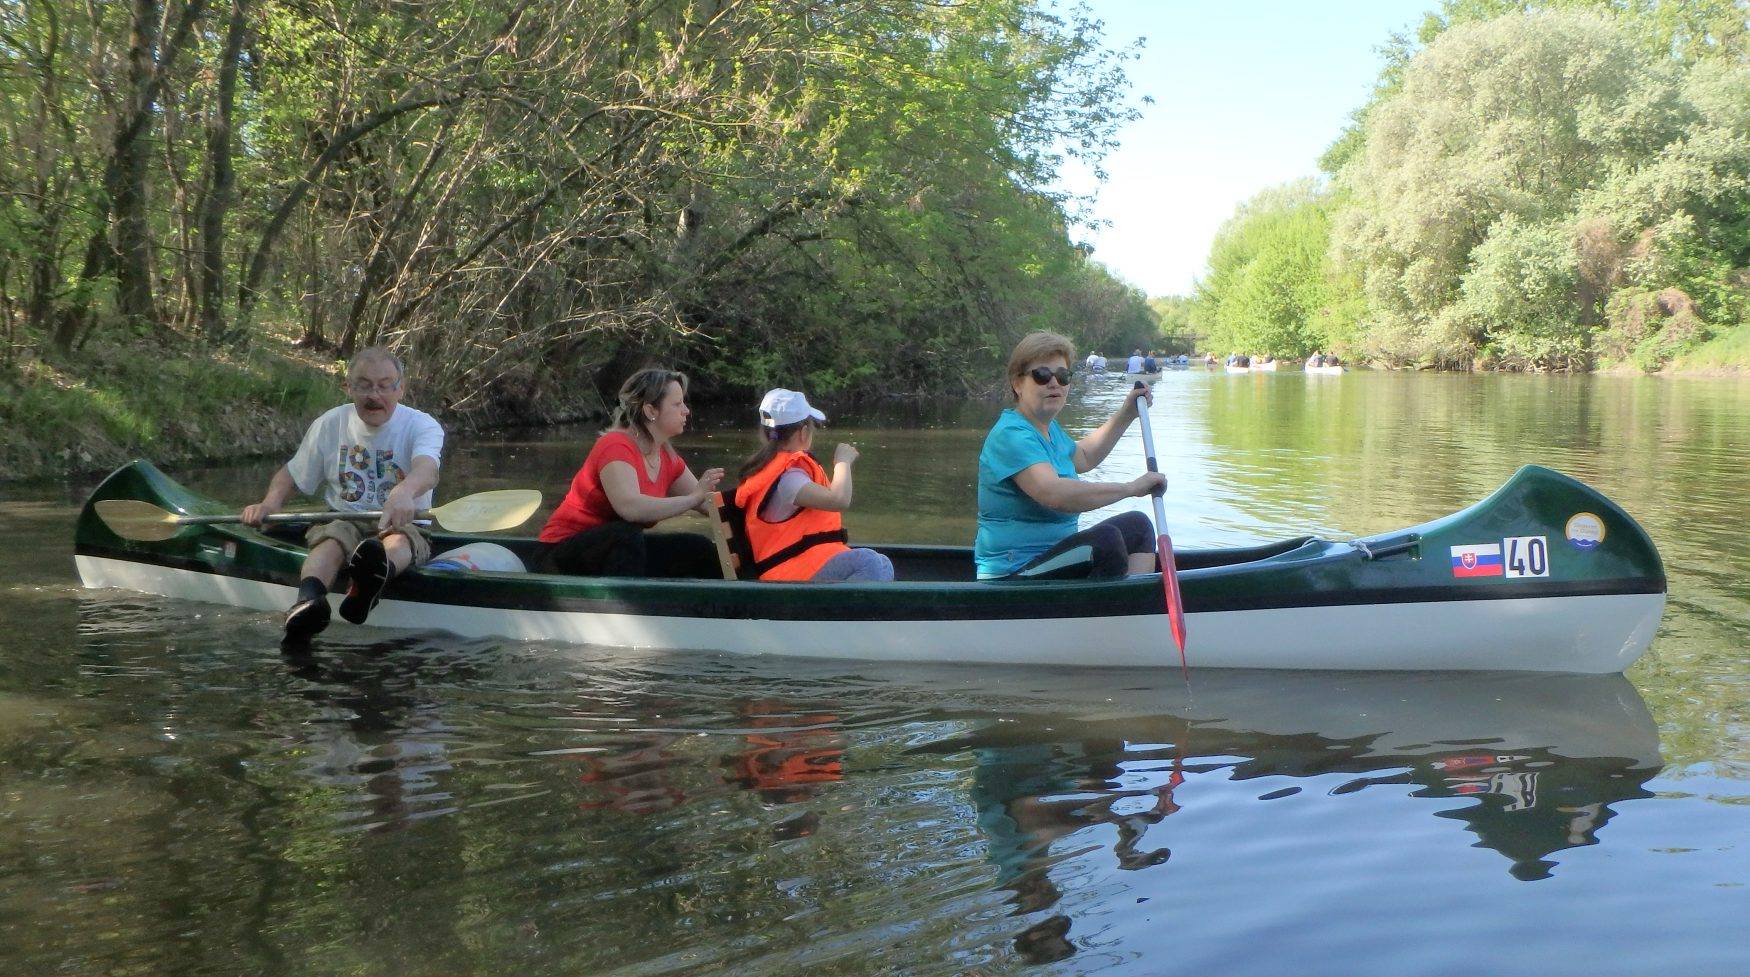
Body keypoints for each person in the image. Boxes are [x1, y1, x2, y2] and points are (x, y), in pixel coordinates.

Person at [243, 346, 444, 643]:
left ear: (400, 389)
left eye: (384, 386)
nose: (374, 396)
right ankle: (309, 602)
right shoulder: (331, 423)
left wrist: (404, 492)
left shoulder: (422, 425)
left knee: (398, 541)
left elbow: (427, 470)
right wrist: (269, 504)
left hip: (404, 521)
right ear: (348, 387)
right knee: (331, 541)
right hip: (343, 517)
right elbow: (291, 474)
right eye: (364, 385)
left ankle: (366, 588)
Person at [976, 332, 1167, 580]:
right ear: (1017, 384)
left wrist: (1127, 413)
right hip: (1013, 572)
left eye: (1063, 376)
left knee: (1138, 527)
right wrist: (1130, 488)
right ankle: (1116, 602)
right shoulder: (1011, 434)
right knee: (1105, 542)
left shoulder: (1048, 430)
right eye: (1042, 375)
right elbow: (1053, 493)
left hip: (1053, 559)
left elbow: (1085, 456)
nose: (1054, 383)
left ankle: (1135, 600)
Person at [535, 368, 724, 578]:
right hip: (559, 556)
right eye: (677, 404)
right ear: (651, 411)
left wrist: (748, 500)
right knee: (624, 534)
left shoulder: (667, 458)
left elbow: (709, 504)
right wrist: (693, 498)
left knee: (697, 548)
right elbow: (630, 508)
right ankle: (631, 599)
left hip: (617, 553)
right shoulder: (615, 445)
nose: (686, 411)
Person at [734, 388, 894, 583]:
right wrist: (842, 462)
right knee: (869, 562)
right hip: (787, 576)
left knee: (882, 562)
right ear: (803, 433)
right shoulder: (789, 479)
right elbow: (840, 500)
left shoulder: (775, 469)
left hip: (801, 566)